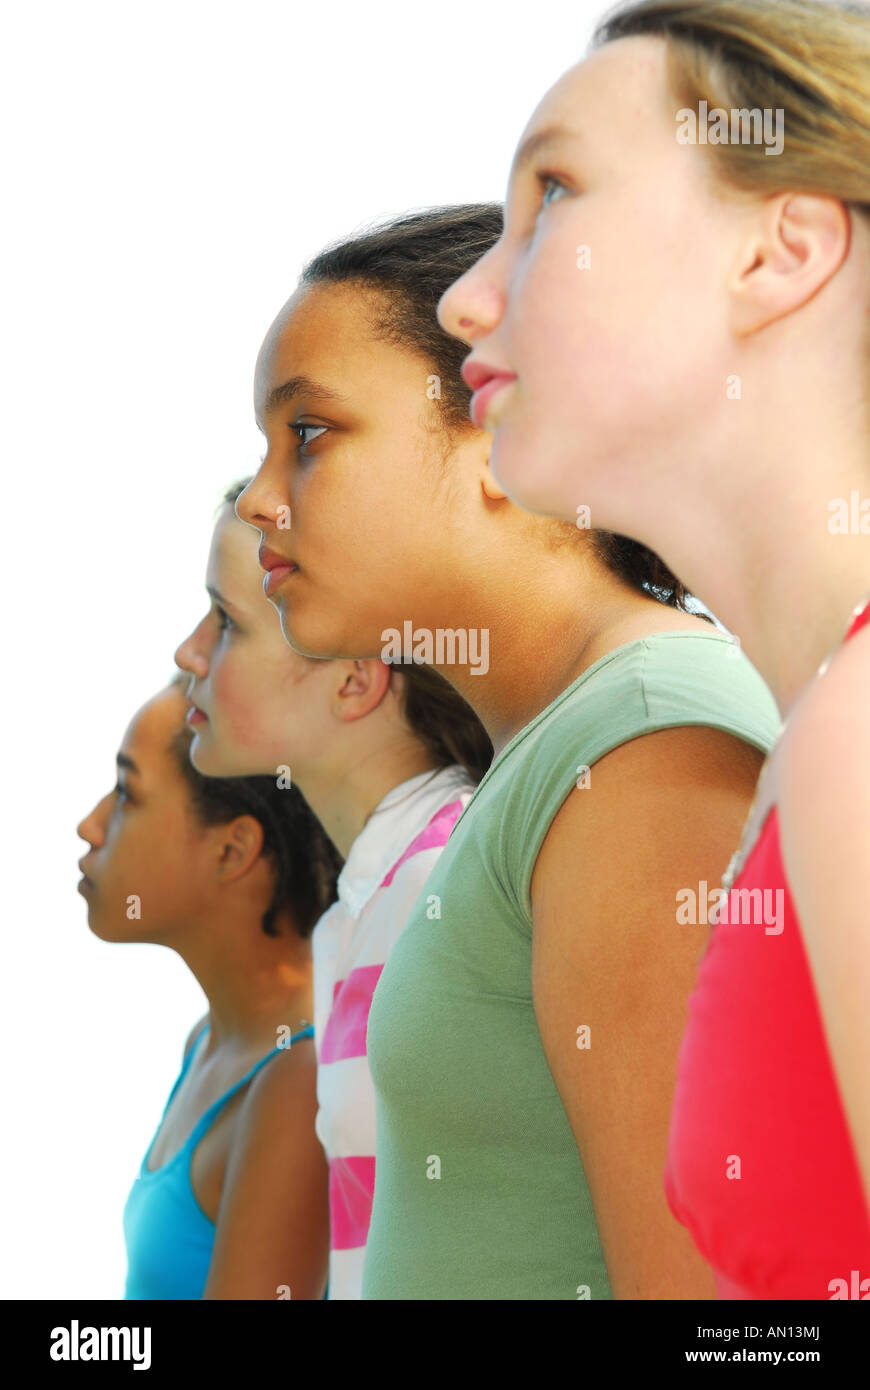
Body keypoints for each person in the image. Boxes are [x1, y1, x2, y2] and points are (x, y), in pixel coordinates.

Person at [235, 204, 782, 1299]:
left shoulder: (645, 741)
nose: (259, 502)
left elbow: (705, 1301)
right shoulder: (563, 748)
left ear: (500, 431)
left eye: (309, 435)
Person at [436, 0, 870, 1298]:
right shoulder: (808, 752)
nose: (466, 299)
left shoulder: (853, 737)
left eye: (553, 191)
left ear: (777, 250)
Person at [174, 480, 490, 1298]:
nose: (189, 655)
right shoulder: (358, 913)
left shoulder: (442, 883)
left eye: (229, 622)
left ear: (356, 678)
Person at [76, 676, 341, 1299]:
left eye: (126, 794)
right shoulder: (211, 1041)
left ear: (234, 849)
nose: (89, 827)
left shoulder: (297, 1083)